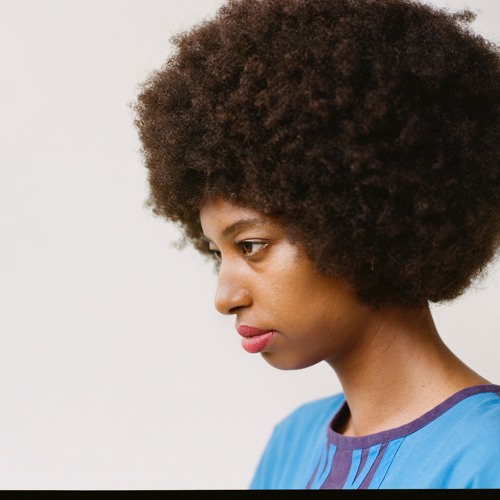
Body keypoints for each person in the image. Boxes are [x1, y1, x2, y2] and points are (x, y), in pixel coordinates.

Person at [133, 0, 500, 489]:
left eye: (251, 245)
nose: (224, 298)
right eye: (217, 254)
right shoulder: (292, 443)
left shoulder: (486, 457)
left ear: (364, 219)